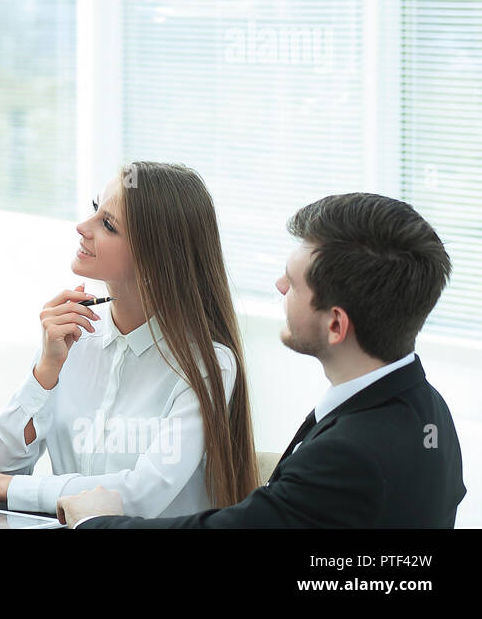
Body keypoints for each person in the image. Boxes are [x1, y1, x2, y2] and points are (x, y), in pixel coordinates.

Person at [59, 192, 465, 529]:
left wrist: (95, 522)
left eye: (294, 282)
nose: (279, 285)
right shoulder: (426, 408)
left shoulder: (349, 455)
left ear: (336, 325)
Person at [0, 162, 258, 518]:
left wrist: (3, 486)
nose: (82, 227)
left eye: (108, 225)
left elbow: (138, 496)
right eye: (95, 210)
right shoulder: (75, 338)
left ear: (156, 258)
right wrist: (46, 371)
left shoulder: (207, 365)